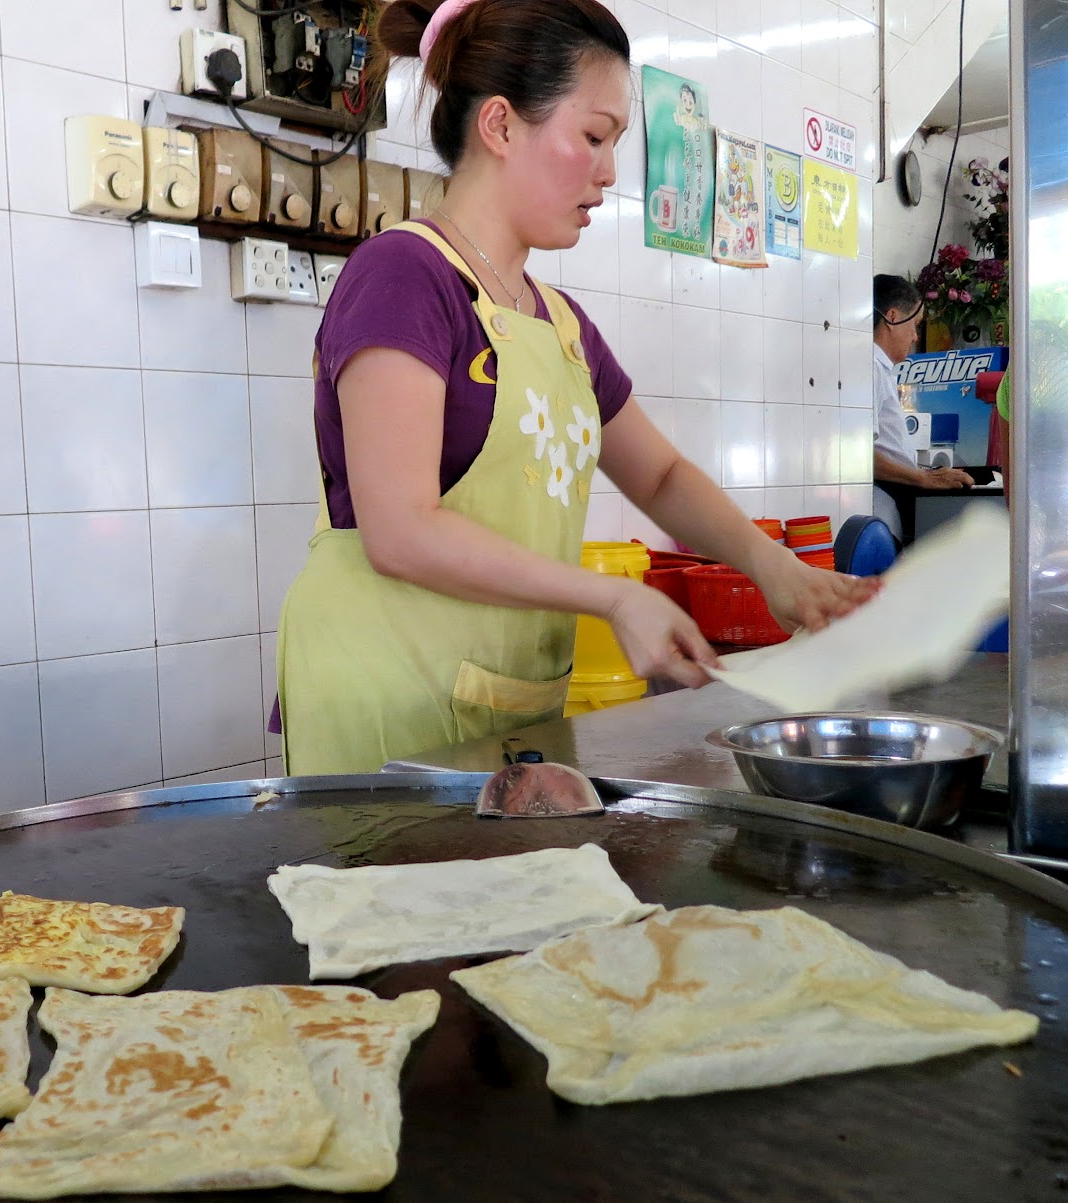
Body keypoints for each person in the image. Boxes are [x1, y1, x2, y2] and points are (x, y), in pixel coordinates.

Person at [274, 0, 876, 775]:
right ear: (499, 126)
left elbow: (657, 473)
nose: (609, 172)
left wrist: (776, 569)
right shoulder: (402, 276)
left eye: (616, 143)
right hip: (387, 693)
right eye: (593, 136)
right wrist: (614, 596)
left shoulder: (559, 322)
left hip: (502, 705)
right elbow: (402, 530)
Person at [871, 274, 974, 541]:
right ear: (892, 317)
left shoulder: (883, 370)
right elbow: (858, 456)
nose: (916, 337)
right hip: (880, 508)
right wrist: (922, 479)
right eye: (915, 325)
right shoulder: (869, 367)